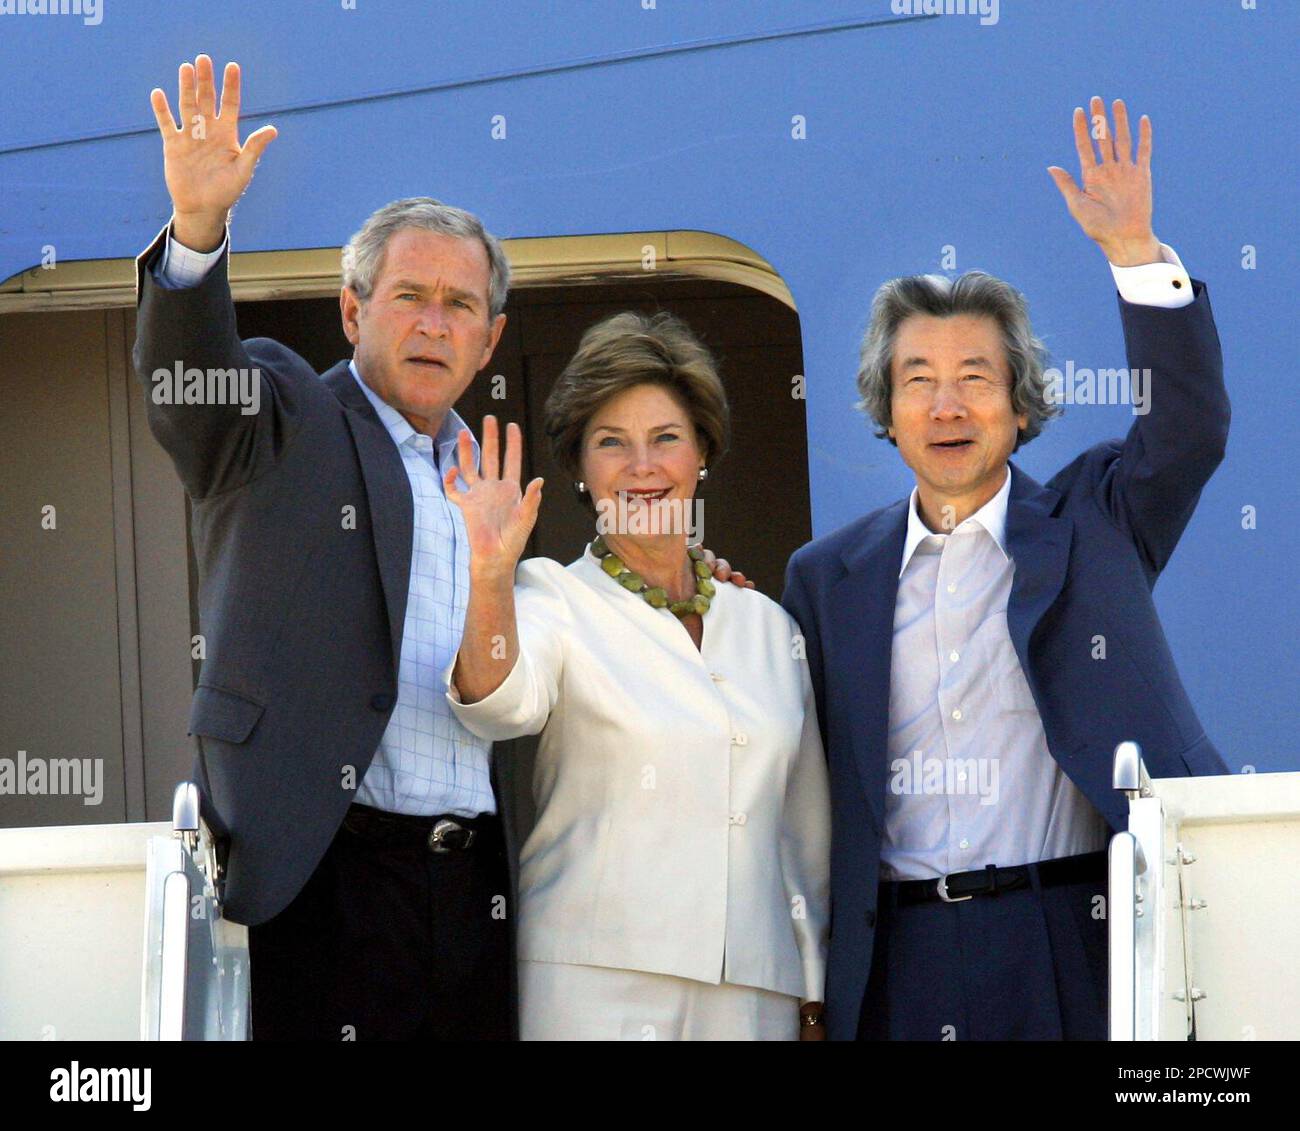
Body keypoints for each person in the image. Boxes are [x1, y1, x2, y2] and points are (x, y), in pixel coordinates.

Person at [136, 54, 743, 1040]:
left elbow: (552, 634)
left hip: (471, 888)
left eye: (460, 306)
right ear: (351, 310)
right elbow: (183, 385)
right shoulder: (284, 413)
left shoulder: (492, 482)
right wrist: (199, 234)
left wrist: (692, 589)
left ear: (489, 338)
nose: (433, 322)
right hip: (322, 872)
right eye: (408, 295)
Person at [781, 97, 1230, 1040]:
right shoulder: (825, 579)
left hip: (1071, 936)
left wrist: (1135, 252)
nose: (948, 404)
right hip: (895, 959)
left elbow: (1188, 430)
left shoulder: (1097, 519)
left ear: (1020, 407)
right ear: (888, 411)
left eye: (976, 378)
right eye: (919, 380)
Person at [443, 311, 831, 1040]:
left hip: (755, 991)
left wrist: (810, 992)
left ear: (702, 456)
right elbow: (497, 701)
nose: (641, 466)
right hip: (597, 987)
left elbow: (801, 837)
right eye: (611, 443)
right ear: (582, 472)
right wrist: (488, 575)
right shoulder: (552, 597)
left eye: (666, 439)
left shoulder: (769, 627)